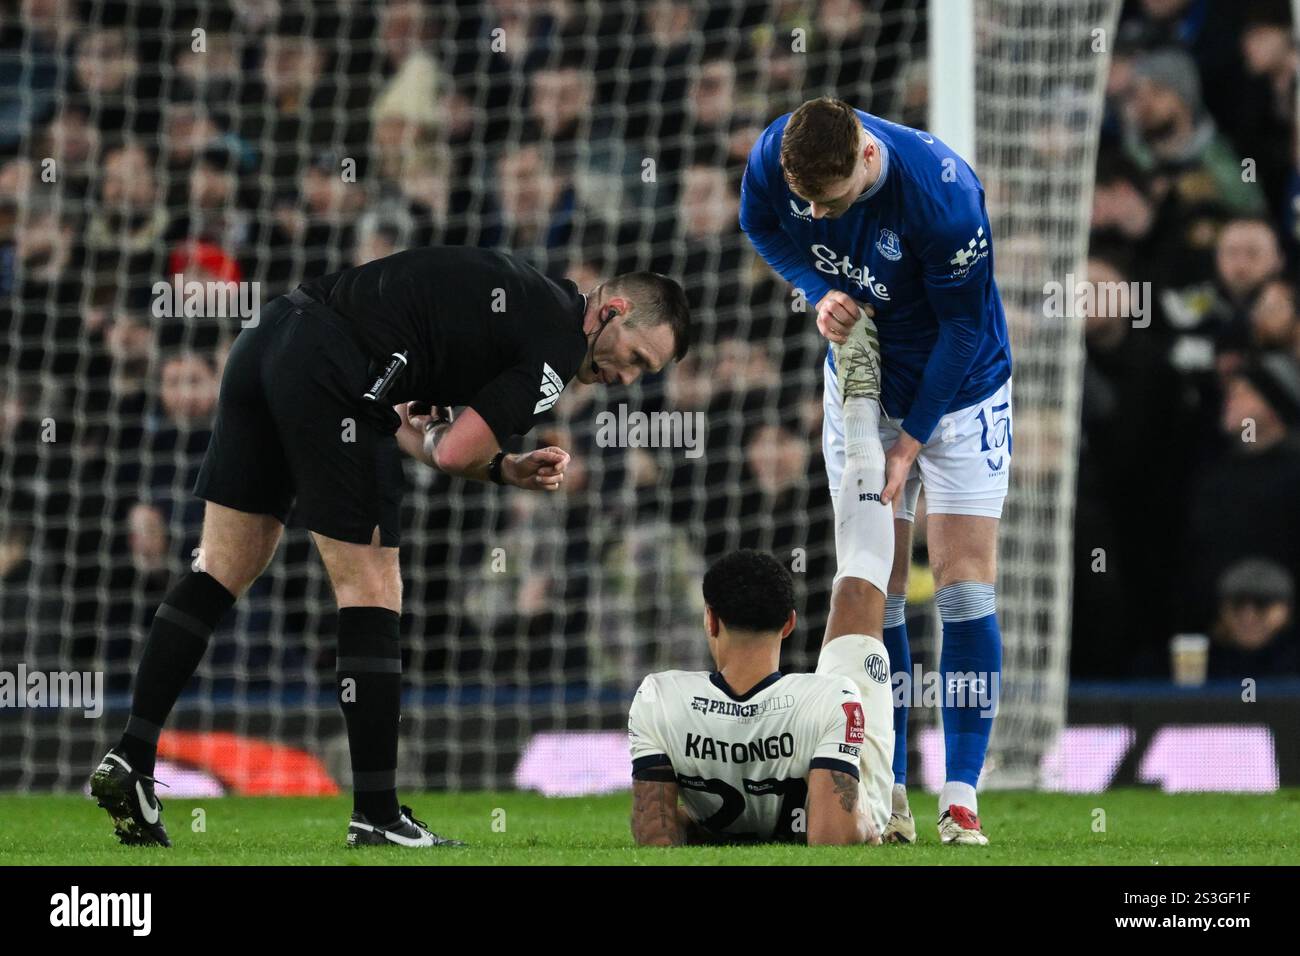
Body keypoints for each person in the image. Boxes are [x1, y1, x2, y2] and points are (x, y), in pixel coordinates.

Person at [91, 246, 691, 849]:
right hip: (333, 370)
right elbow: (455, 452)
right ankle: (377, 814)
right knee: (373, 589)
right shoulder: (556, 346)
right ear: (610, 312)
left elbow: (406, 418)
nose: (627, 377)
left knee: (221, 569)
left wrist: (473, 453)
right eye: (635, 357)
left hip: (269, 338)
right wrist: (504, 469)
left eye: (645, 372)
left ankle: (132, 755)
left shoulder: (521, 299)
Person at [740, 96, 1014, 845]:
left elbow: (963, 328)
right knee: (876, 584)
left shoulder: (943, 199)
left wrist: (911, 442)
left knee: (963, 584)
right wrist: (815, 287)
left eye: (829, 204)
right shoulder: (780, 151)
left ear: (865, 158)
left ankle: (960, 796)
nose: (817, 217)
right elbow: (759, 222)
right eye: (807, 201)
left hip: (959, 397)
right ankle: (886, 786)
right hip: (862, 383)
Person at [628, 550, 889, 846]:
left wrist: (708, 829)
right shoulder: (831, 697)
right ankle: (883, 509)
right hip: (843, 781)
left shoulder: (659, 697)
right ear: (790, 624)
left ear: (711, 620)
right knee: (857, 595)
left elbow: (653, 834)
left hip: (728, 815)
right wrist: (867, 826)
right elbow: (833, 837)